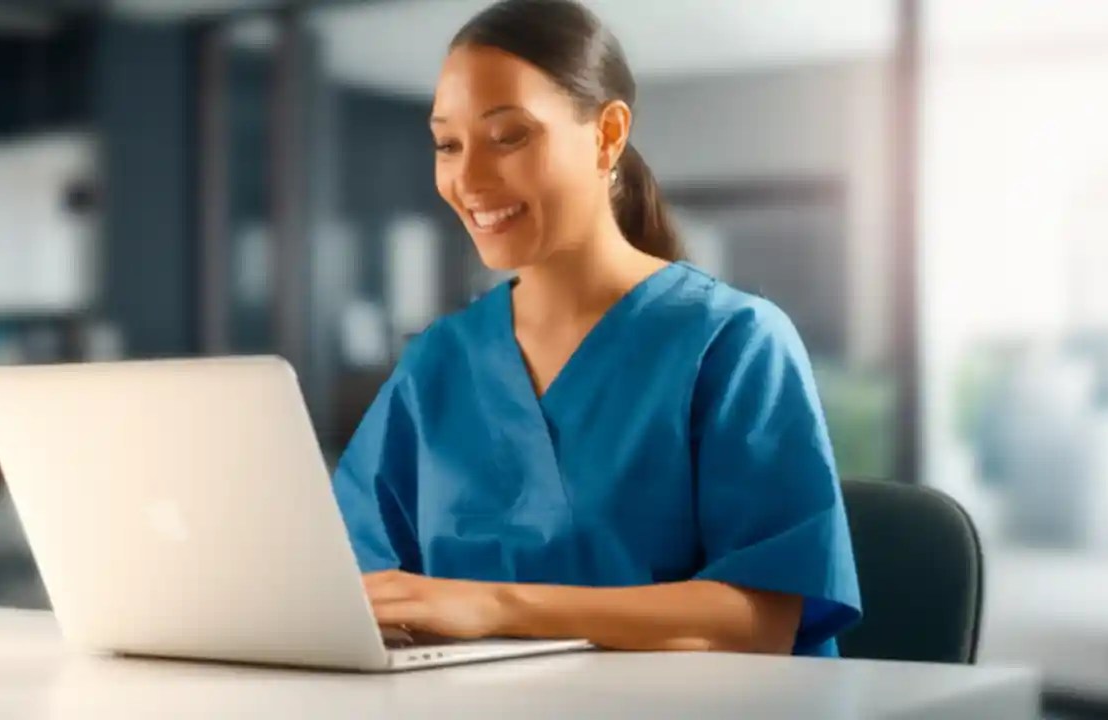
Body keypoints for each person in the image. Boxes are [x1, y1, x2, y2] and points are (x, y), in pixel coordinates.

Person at [332, 0, 861, 656]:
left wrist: (495, 605)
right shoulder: (438, 363)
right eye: (447, 144)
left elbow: (761, 620)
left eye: (509, 136)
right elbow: (355, 584)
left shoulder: (734, 342)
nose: (467, 178)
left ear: (607, 135)